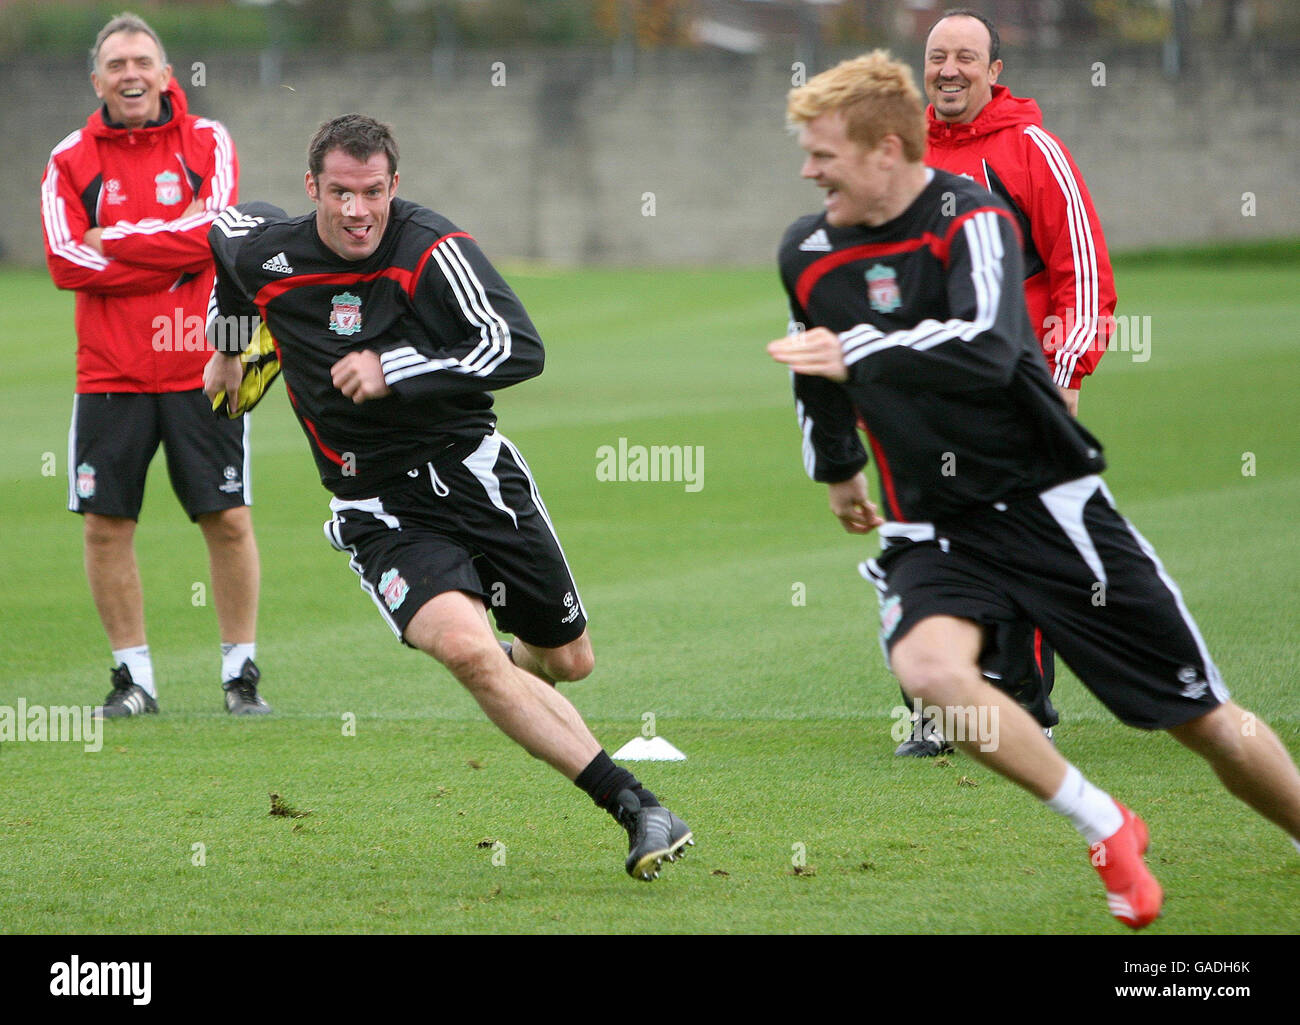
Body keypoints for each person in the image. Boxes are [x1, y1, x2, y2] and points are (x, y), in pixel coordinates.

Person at [768, 51, 1300, 927]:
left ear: (888, 151)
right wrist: (838, 471)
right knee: (930, 671)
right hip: (930, 524)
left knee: (1199, 717)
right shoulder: (808, 247)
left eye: (823, 153)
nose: (807, 170)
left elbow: (988, 348)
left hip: (1047, 508)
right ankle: (1106, 822)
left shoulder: (971, 218)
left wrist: (859, 352)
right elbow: (812, 370)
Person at [202, 114, 693, 880]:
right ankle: (638, 805)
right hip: (378, 510)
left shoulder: (432, 249)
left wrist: (393, 367)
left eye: (372, 193)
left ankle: (508, 665)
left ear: (394, 186)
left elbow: (516, 346)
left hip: (476, 480)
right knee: (464, 649)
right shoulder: (268, 250)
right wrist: (230, 350)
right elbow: (226, 246)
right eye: (339, 193)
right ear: (313, 189)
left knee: (567, 659)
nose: (357, 211)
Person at [890, 8, 1119, 756]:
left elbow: (1081, 270)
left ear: (995, 71)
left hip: (1016, 391)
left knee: (1019, 541)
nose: (948, 69)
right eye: (936, 56)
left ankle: (1021, 699)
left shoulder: (1031, 150)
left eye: (965, 57)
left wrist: (1067, 370)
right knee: (922, 542)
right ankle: (933, 707)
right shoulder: (902, 156)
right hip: (922, 400)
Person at [41, 13, 268, 718]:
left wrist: (116, 245)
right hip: (109, 373)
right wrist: (176, 244)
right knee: (106, 526)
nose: (130, 73)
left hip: (206, 363)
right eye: (116, 63)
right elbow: (62, 259)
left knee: (227, 517)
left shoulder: (208, 142)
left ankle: (240, 673)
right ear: (97, 79)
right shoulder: (69, 159)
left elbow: (220, 237)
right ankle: (133, 677)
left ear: (168, 74)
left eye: (143, 60)